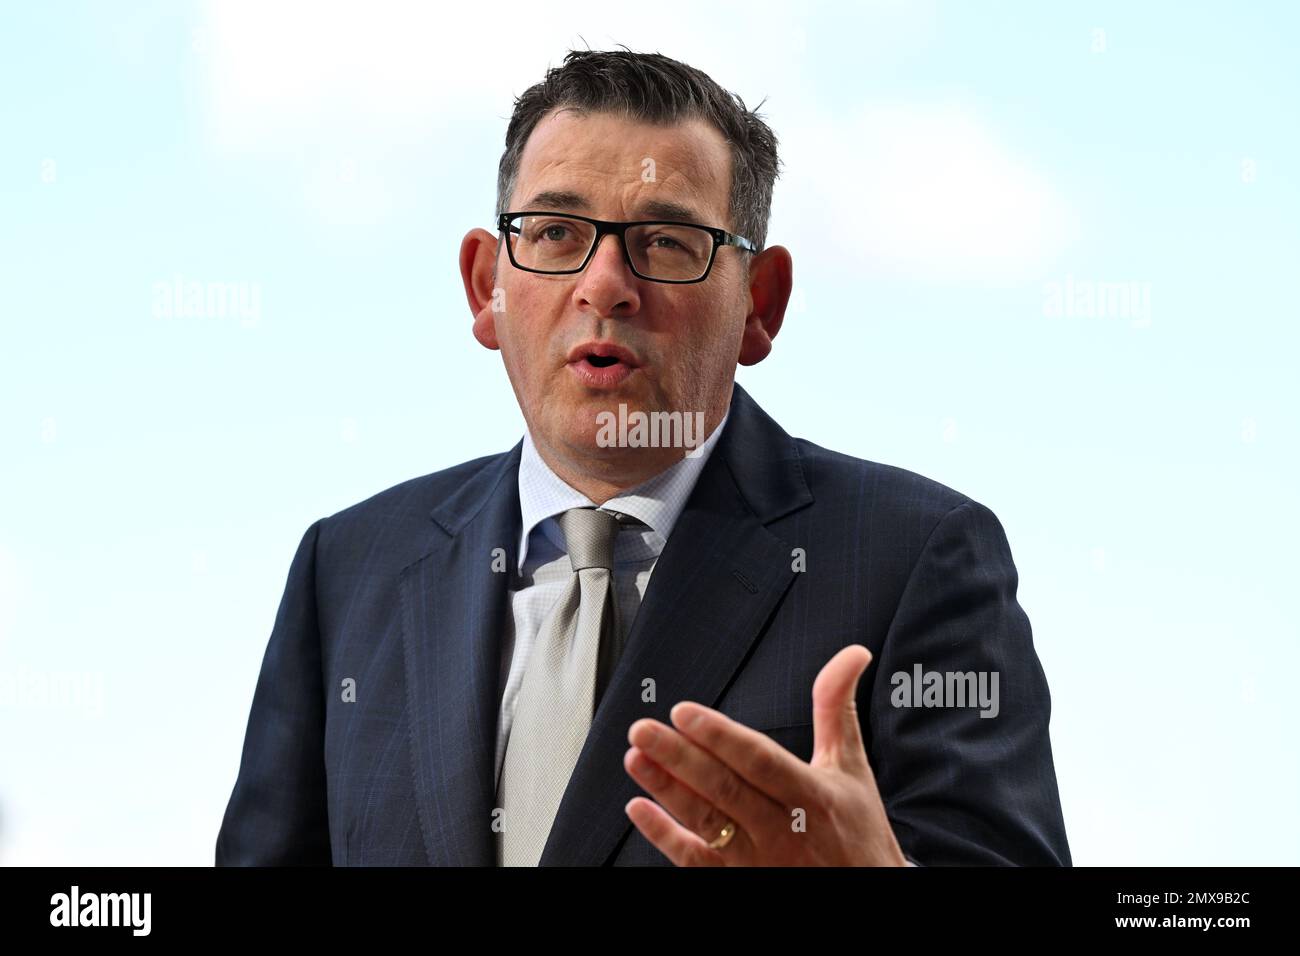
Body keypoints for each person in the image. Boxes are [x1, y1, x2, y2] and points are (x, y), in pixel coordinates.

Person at [216, 48, 1071, 867]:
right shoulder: (348, 569)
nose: (606, 283)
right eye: (554, 232)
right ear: (488, 288)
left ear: (759, 305)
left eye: (666, 243)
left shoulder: (915, 558)